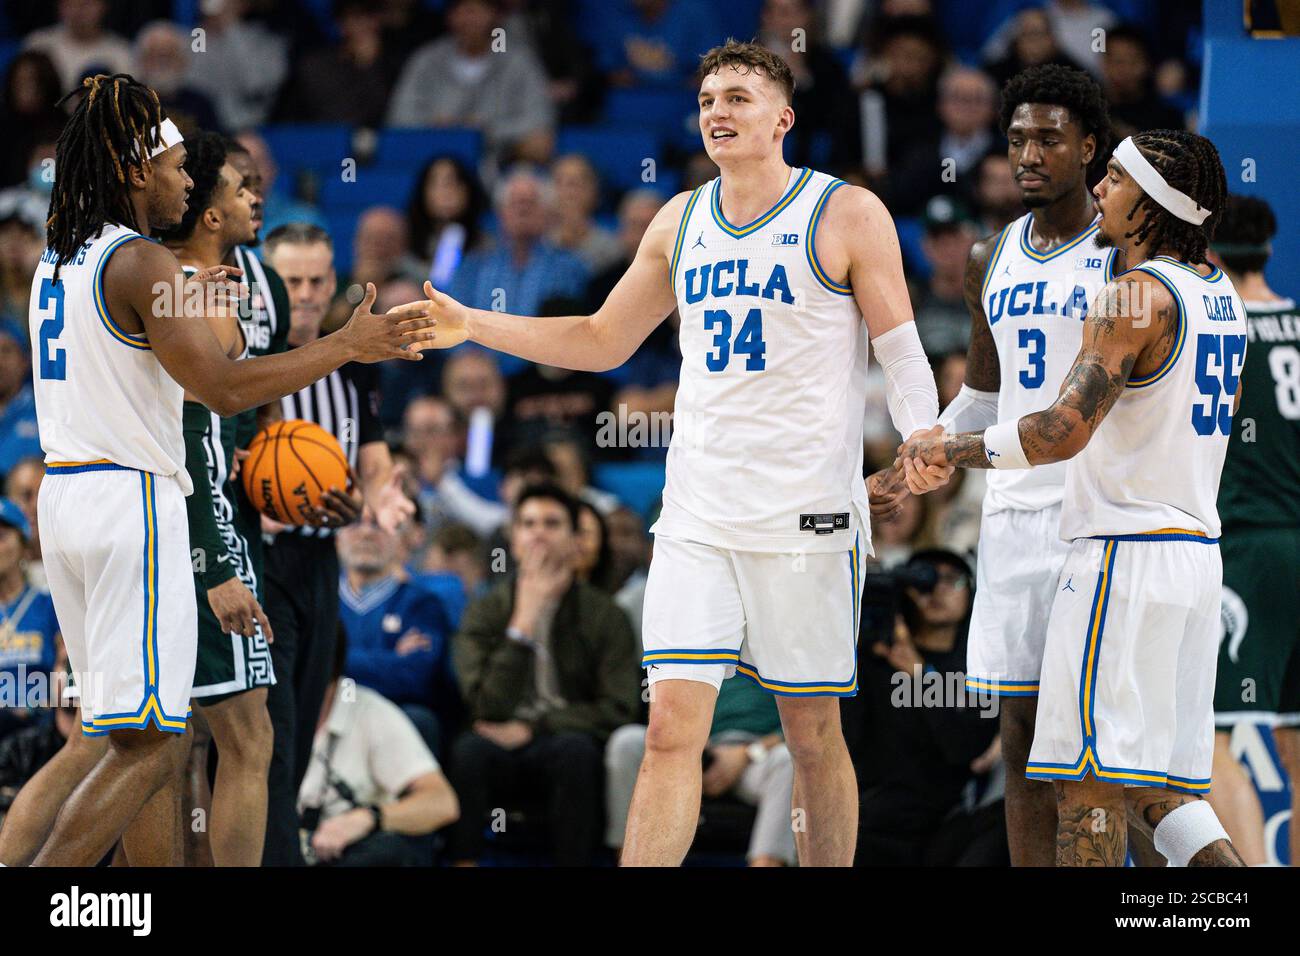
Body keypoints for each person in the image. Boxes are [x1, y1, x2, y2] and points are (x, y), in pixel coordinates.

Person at [420, 40, 941, 866]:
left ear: (784, 117)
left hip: (804, 516)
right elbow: (600, 339)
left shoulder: (845, 212)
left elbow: (903, 353)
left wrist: (921, 432)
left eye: (737, 96)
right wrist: (473, 324)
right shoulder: (679, 218)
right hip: (697, 513)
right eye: (706, 100)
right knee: (667, 730)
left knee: (811, 734)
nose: (717, 112)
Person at [10, 73, 432, 869]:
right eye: (174, 167)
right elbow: (224, 388)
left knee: (125, 737)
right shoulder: (140, 263)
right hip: (133, 501)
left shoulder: (55, 259)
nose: (185, 181)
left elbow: (170, 364)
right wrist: (345, 344)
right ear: (135, 172)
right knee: (156, 748)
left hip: (67, 502)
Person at [899, 129, 1247, 867]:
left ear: (1153, 203)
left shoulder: (1128, 296)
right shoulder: (1222, 298)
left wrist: (951, 450)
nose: (1099, 189)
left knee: (1084, 787)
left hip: (1124, 560)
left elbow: (1061, 431)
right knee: (1160, 796)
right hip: (1195, 564)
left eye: (1116, 178)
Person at [929, 64, 1116, 867]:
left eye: (1049, 138)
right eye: (1016, 140)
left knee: (1095, 744)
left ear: (1090, 148)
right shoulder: (988, 255)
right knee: (1020, 734)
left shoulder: (1122, 252)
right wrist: (924, 447)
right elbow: (982, 394)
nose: (1028, 154)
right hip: (1011, 517)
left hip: (1094, 512)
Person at [261, 221, 417, 867]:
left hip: (319, 560)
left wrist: (384, 498)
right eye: (289, 279)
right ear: (264, 281)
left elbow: (375, 461)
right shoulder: (238, 358)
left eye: (316, 280)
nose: (303, 293)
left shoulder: (349, 367)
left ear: (333, 282)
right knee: (262, 741)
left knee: (297, 732)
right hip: (256, 563)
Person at [159, 130, 274, 867]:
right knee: (246, 739)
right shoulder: (182, 287)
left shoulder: (185, 278)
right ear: (207, 213)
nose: (253, 197)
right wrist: (213, 562)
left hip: (150, 513)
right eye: (240, 188)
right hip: (196, 516)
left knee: (156, 746)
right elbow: (211, 407)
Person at [447, 484, 640, 866]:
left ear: (574, 540)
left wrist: (537, 728)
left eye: (552, 524)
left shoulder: (605, 615)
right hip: (498, 743)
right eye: (528, 523)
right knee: (468, 751)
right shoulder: (485, 610)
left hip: (566, 742)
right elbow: (484, 704)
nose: (538, 532)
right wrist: (522, 625)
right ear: (513, 539)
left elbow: (619, 707)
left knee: (575, 752)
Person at [1205, 195, 1300, 867]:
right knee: (1296, 744)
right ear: (1268, 249)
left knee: (1210, 732)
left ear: (1210, 255)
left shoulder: (1218, 332)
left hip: (1251, 550)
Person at [845, 549, 1006, 866]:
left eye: (951, 580)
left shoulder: (981, 667)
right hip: (878, 818)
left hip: (950, 821)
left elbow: (967, 749)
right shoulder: (873, 659)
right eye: (924, 578)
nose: (937, 589)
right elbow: (848, 741)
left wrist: (919, 674)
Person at [298, 631, 460, 866]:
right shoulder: (263, 713)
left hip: (346, 854)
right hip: (285, 847)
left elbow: (442, 803)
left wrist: (368, 818)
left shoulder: (370, 711)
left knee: (387, 851)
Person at [606, 675, 795, 866]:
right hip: (692, 741)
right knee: (627, 742)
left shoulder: (780, 654)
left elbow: (807, 725)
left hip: (759, 753)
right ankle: (629, 860)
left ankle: (766, 863)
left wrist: (748, 753)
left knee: (787, 760)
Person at [336, 514, 459, 757]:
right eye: (355, 522)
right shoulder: (315, 600)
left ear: (401, 540)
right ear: (336, 537)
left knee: (419, 719)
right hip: (324, 711)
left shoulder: (422, 604)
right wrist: (390, 657)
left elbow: (414, 677)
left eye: (380, 524)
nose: (367, 533)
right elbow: (301, 664)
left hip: (392, 714)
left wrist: (335, 660)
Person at [386, 0, 556, 164]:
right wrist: (435, 126)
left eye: (476, 11)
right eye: (463, 11)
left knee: (538, 145)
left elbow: (539, 120)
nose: (469, 20)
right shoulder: (427, 59)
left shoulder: (517, 61)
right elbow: (399, 118)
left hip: (502, 160)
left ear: (495, 15)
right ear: (450, 16)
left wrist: (485, 131)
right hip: (433, 160)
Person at [0, 500, 60, 742]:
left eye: (2, 535)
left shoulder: (48, 606)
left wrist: (36, 707)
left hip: (38, 730)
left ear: (24, 547)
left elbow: (66, 669)